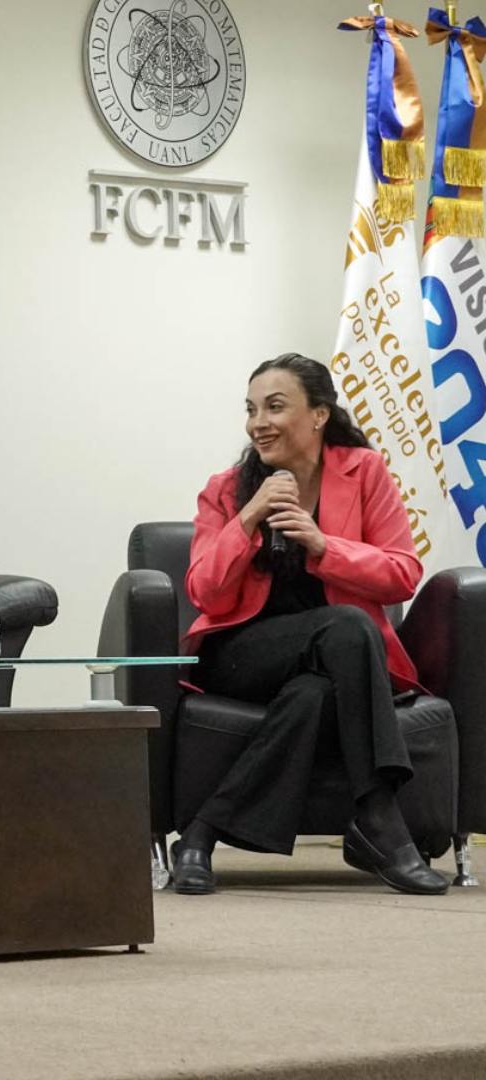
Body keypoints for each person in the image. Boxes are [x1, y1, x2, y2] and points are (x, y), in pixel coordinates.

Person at [174, 352, 447, 896]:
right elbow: (204, 590)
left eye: (275, 407)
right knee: (347, 627)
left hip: (334, 663)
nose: (259, 422)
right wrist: (250, 515)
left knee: (314, 692)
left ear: (319, 414)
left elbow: (402, 574)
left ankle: (199, 835)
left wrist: (324, 547)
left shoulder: (363, 471)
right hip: (243, 654)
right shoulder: (227, 489)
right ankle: (379, 820)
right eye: (251, 409)